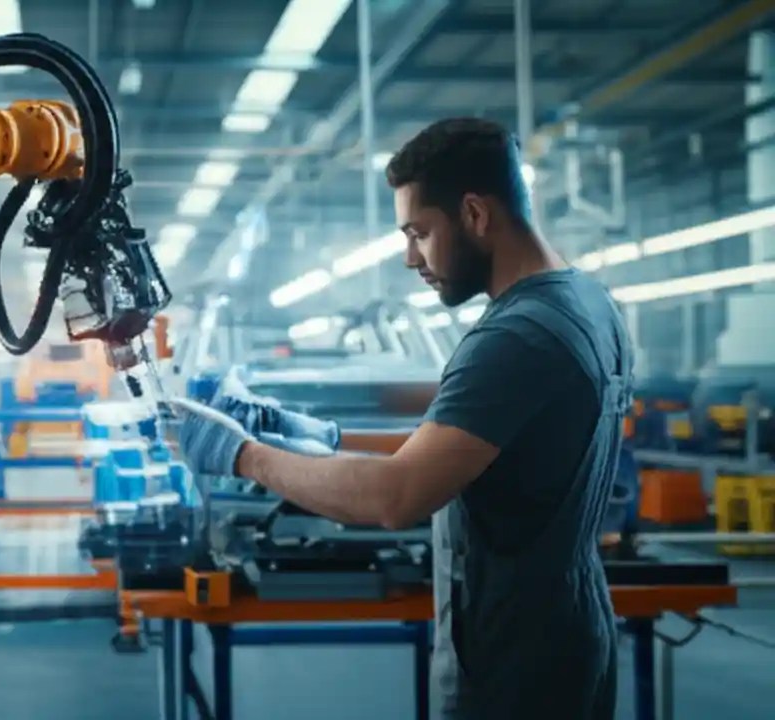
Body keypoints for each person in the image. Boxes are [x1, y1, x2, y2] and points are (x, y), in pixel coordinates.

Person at [173, 117, 632, 720]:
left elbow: (395, 497)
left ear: (475, 213)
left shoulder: (516, 336)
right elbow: (472, 444)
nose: (410, 257)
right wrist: (321, 436)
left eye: (420, 232)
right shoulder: (587, 303)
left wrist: (242, 456)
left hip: (514, 658)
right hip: (566, 631)